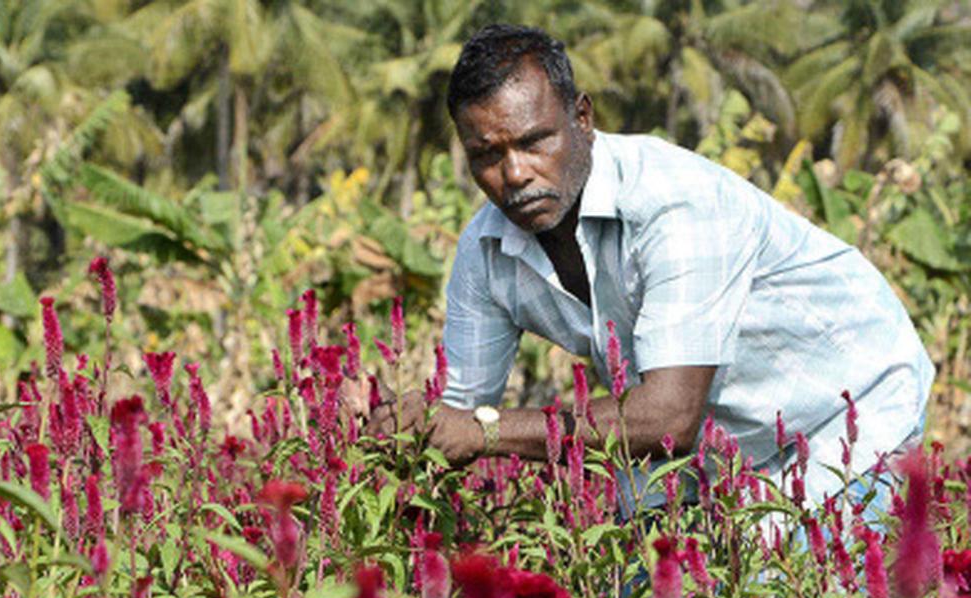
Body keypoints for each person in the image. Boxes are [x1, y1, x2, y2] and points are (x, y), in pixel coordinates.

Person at [367, 24, 933, 507]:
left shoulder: (675, 201)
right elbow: (461, 414)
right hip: (712, 448)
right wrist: (392, 419)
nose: (514, 173)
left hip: (846, 412)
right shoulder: (485, 250)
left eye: (536, 142)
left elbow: (667, 417)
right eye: (487, 155)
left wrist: (484, 432)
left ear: (582, 117)